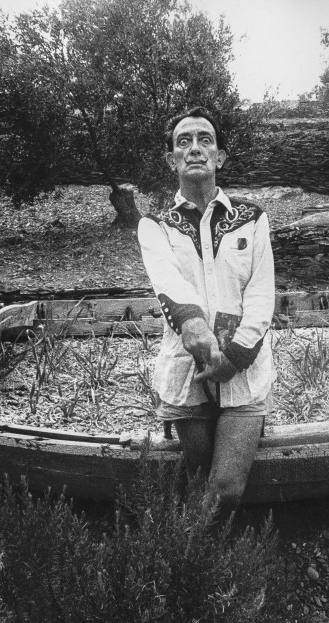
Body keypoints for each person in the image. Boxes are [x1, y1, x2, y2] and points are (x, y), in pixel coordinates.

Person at [137, 107, 275, 508]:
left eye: (204, 140)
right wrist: (193, 324)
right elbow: (168, 281)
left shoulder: (251, 219)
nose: (194, 148)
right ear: (171, 160)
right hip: (187, 370)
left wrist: (236, 355)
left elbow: (262, 292)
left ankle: (187, 556)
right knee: (200, 476)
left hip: (242, 369)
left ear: (219, 157)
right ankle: (215, 553)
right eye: (184, 142)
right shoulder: (155, 226)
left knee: (225, 487)